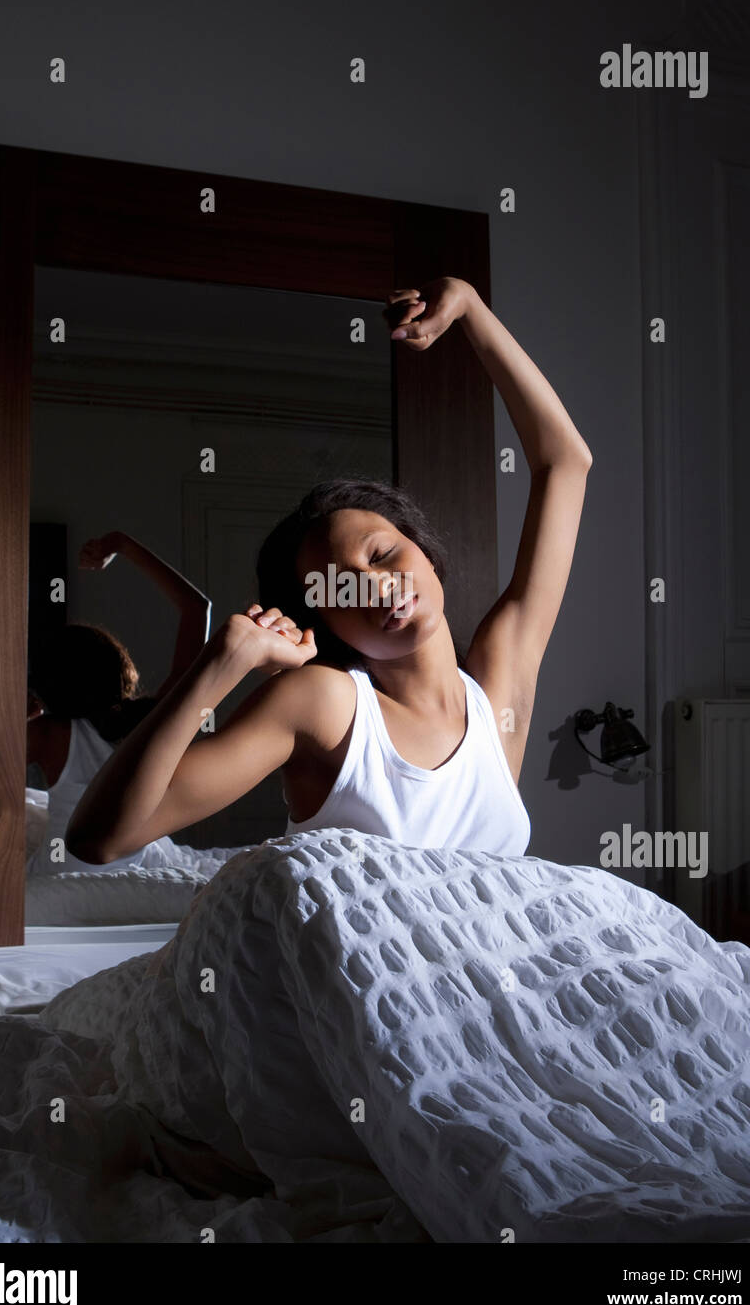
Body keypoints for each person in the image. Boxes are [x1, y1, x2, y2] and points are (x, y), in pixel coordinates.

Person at [66, 276, 592, 865]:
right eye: (342, 586)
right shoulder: (325, 702)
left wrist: (468, 306)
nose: (378, 586)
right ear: (325, 624)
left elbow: (565, 462)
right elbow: (97, 840)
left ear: (424, 552)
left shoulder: (499, 683)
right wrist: (223, 662)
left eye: (384, 554)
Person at [27, 532, 212, 874]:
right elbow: (196, 607)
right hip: (135, 873)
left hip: (59, 873)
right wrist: (123, 545)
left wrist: (20, 717)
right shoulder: (153, 722)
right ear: (118, 666)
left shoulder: (47, 734)